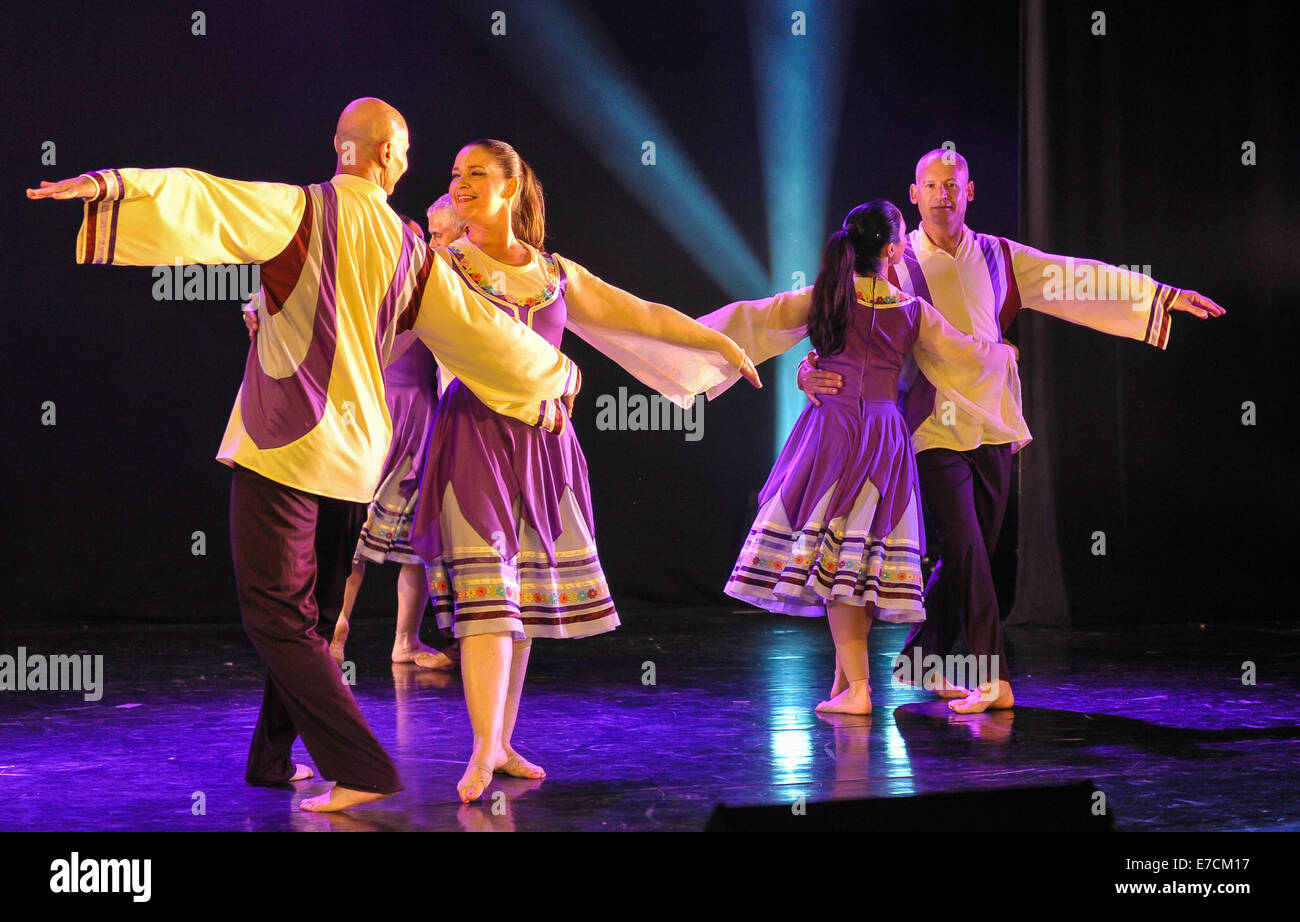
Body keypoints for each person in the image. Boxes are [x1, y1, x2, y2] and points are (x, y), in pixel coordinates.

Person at [27, 99, 582, 812]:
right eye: (407, 150)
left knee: (276, 616)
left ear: (341, 147)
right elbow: (483, 333)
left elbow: (206, 198)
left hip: (286, 448)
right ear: (383, 155)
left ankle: (360, 767)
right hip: (357, 462)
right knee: (313, 621)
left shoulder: (302, 209)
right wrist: (558, 373)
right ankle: (271, 756)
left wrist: (115, 185)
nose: (411, 163)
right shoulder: (413, 247)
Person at [797, 149, 1225, 713]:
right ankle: (992, 677)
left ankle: (922, 664)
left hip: (994, 421)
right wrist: (813, 367)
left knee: (978, 551)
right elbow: (842, 319)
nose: (943, 193)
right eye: (932, 184)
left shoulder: (999, 256)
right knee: (970, 550)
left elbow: (1077, 279)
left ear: (970, 192)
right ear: (914, 194)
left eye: (953, 184)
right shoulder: (898, 263)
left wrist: (1160, 295)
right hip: (930, 428)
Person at [410, 139, 760, 802]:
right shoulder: (442, 267)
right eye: (455, 175)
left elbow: (642, 314)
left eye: (476, 174)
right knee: (489, 601)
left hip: (544, 447)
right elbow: (376, 312)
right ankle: (484, 744)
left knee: (522, 601)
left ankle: (502, 739)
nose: (459, 185)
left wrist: (717, 341)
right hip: (472, 440)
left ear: (511, 187)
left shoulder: (554, 273)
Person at [699, 200, 1022, 715]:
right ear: (892, 249)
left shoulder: (825, 296)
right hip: (884, 435)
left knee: (842, 560)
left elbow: (752, 320)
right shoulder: (911, 311)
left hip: (834, 432)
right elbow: (966, 353)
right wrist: (1005, 356)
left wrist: (675, 343)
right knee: (857, 560)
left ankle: (858, 688)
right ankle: (849, 682)